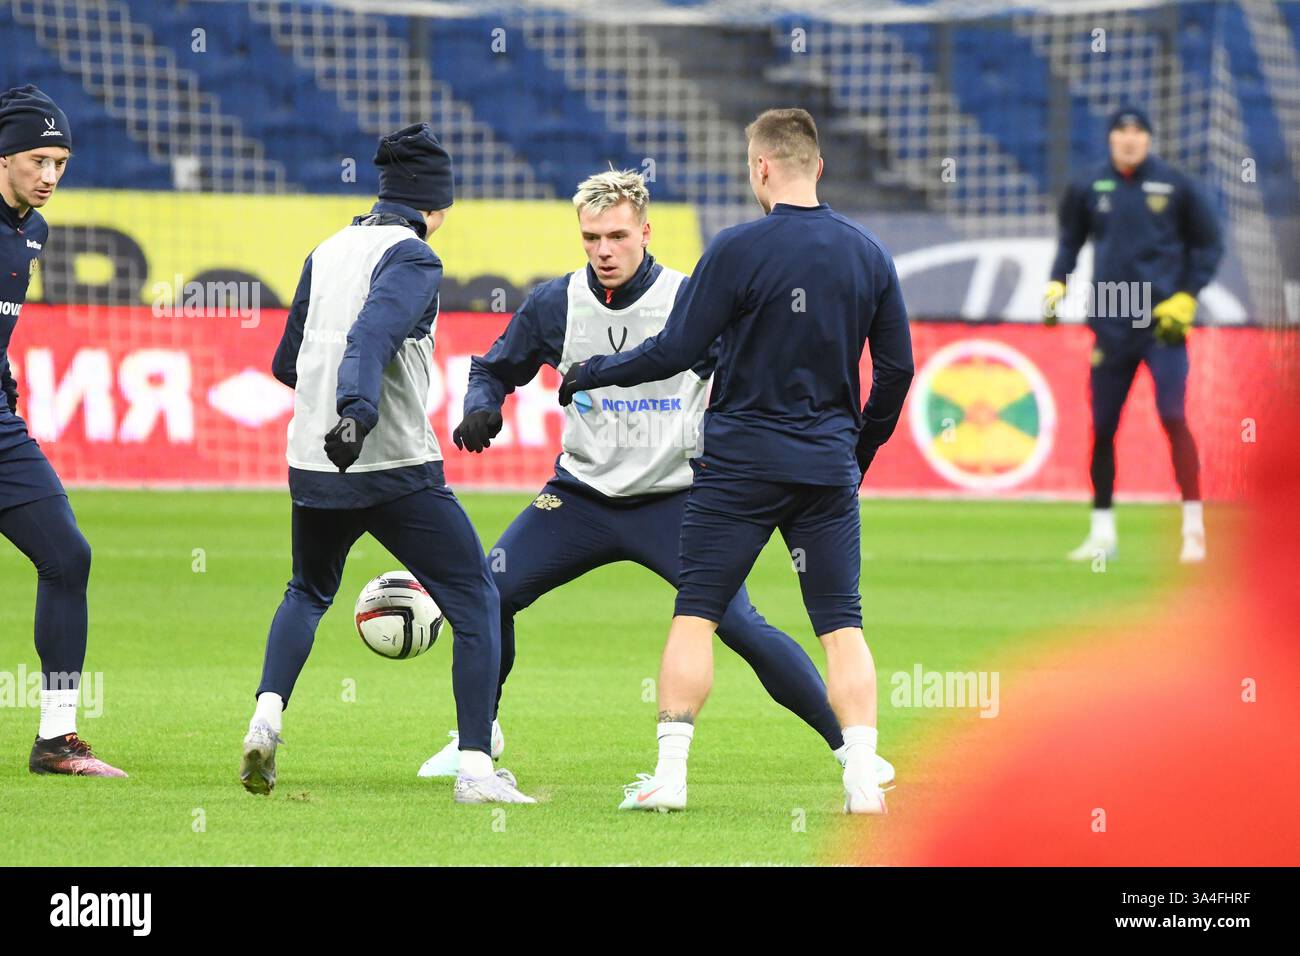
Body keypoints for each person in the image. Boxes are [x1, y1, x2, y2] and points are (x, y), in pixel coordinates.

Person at [419, 168, 894, 790]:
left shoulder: (692, 297)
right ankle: (477, 739)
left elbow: (752, 371)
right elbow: (492, 367)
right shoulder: (555, 303)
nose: (603, 250)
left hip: (676, 501)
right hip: (577, 499)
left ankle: (849, 749)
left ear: (646, 231)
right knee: (488, 594)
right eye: (591, 238)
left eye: (616, 235)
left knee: (742, 626)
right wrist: (482, 401)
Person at [558, 110, 913, 814]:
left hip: (739, 466)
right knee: (842, 624)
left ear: (760, 168)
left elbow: (676, 352)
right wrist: (859, 451)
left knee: (697, 615)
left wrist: (593, 370)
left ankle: (671, 777)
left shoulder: (736, 249)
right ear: (818, 167)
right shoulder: (868, 254)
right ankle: (861, 779)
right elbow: (897, 371)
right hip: (824, 468)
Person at [240, 123, 533, 804]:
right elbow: (375, 332)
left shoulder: (326, 250)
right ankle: (475, 772)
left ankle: (266, 716)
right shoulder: (414, 257)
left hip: (313, 464)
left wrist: (331, 412)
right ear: (436, 206)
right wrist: (358, 411)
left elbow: (287, 361)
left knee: (307, 593)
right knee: (474, 600)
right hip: (393, 463)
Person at [0, 85, 124, 777]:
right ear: (5, 155)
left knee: (67, 556)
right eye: (38, 160)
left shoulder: (33, 231)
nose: (50, 176)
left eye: (61, 162)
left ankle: (56, 739)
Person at [1044, 106, 1223, 563]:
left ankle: (1194, 529)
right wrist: (1057, 282)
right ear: (1110, 139)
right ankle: (1102, 533)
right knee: (1103, 427)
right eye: (1121, 132)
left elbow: (1208, 245)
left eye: (1138, 131)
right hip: (1110, 318)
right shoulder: (1088, 186)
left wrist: (1187, 296)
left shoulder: (1177, 186)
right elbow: (1070, 241)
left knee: (1172, 415)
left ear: (1149, 138)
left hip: (1161, 321)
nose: (1130, 139)